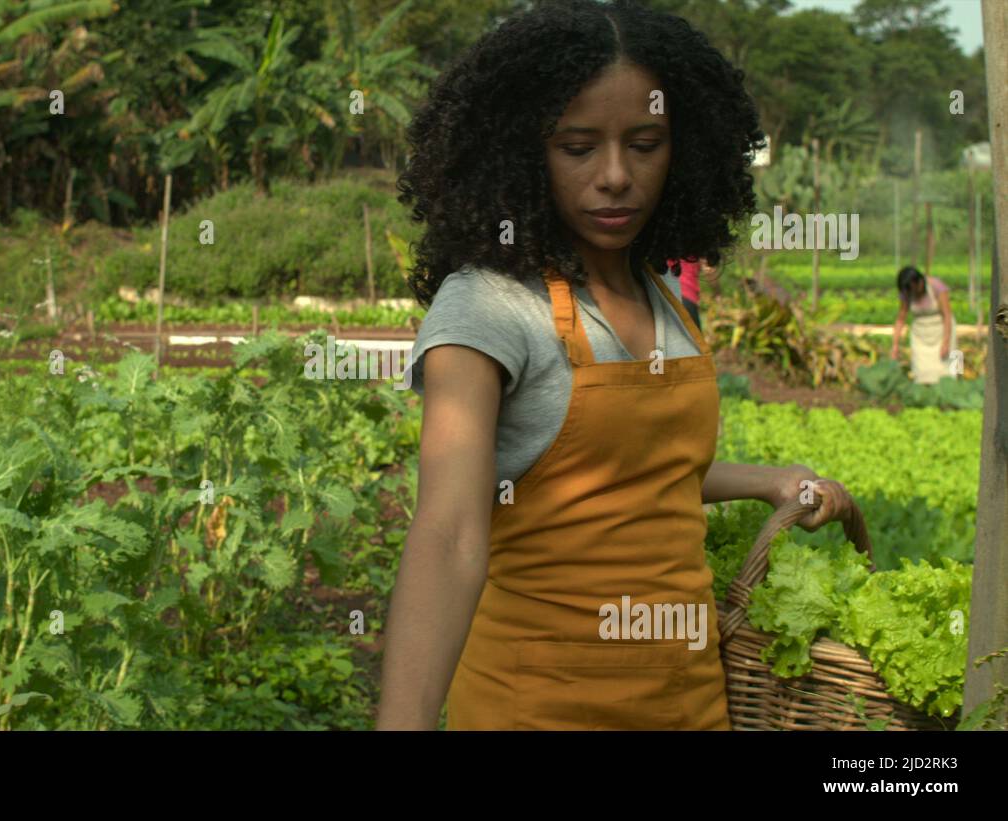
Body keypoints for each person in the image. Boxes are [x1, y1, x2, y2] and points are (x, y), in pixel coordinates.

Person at [377, 0, 853, 731]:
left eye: (645, 142)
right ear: (520, 151)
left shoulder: (663, 297)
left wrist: (768, 481)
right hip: (537, 710)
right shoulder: (490, 309)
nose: (614, 176)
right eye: (577, 146)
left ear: (685, 148)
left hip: (688, 707)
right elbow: (449, 536)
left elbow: (640, 470)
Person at [890, 266, 956, 384]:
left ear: (920, 281)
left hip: (942, 331)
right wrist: (895, 345)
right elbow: (900, 319)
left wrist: (946, 342)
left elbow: (947, 315)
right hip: (920, 335)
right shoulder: (907, 293)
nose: (914, 293)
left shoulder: (936, 286)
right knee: (922, 373)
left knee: (946, 372)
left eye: (914, 288)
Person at [666, 257, 703, 329]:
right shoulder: (696, 251)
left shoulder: (665, 251)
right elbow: (709, 270)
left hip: (669, 298)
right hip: (688, 298)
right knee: (694, 338)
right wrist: (717, 292)